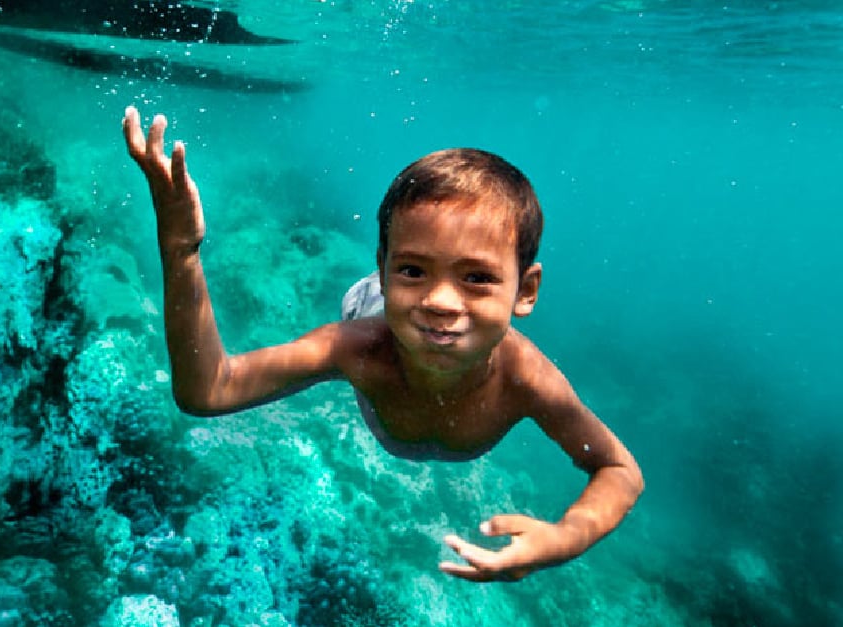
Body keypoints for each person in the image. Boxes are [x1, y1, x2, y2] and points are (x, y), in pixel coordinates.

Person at [121, 106, 643, 582]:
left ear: (525, 292)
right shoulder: (355, 349)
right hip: (373, 311)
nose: (441, 300)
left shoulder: (526, 378)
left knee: (411, 309)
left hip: (395, 309)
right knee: (373, 308)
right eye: (414, 269)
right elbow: (207, 391)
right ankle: (388, 285)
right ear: (385, 264)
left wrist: (562, 539)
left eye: (477, 278)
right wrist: (182, 251)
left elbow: (620, 471)